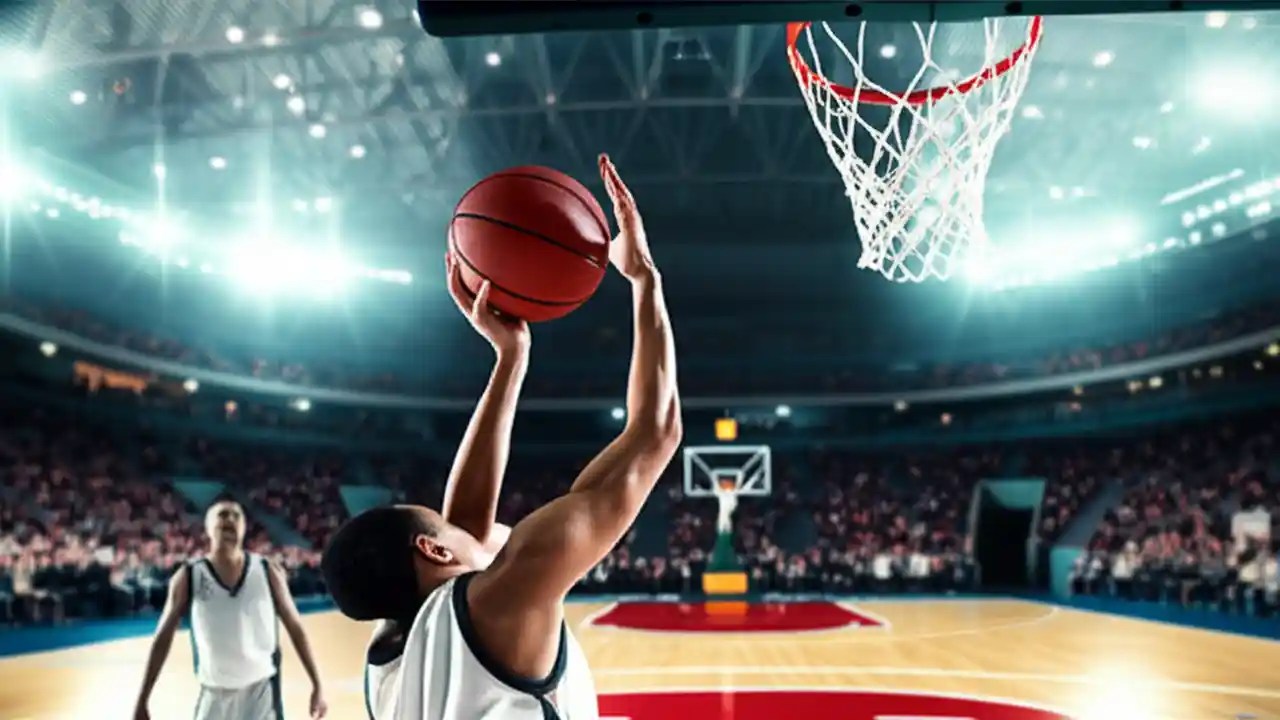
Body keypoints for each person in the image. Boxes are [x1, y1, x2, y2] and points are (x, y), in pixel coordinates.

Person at [321, 154, 681, 720]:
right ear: (433, 549)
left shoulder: (387, 661)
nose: (470, 524)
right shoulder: (505, 597)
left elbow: (462, 528)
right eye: (443, 527)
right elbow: (657, 432)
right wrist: (644, 278)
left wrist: (511, 358)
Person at [133, 499, 329, 720]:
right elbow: (162, 637)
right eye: (223, 514)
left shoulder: (267, 570)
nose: (230, 519)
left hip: (261, 693)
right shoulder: (189, 576)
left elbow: (296, 628)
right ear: (208, 528)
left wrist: (317, 684)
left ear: (244, 528)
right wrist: (143, 699)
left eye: (237, 515)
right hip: (214, 693)